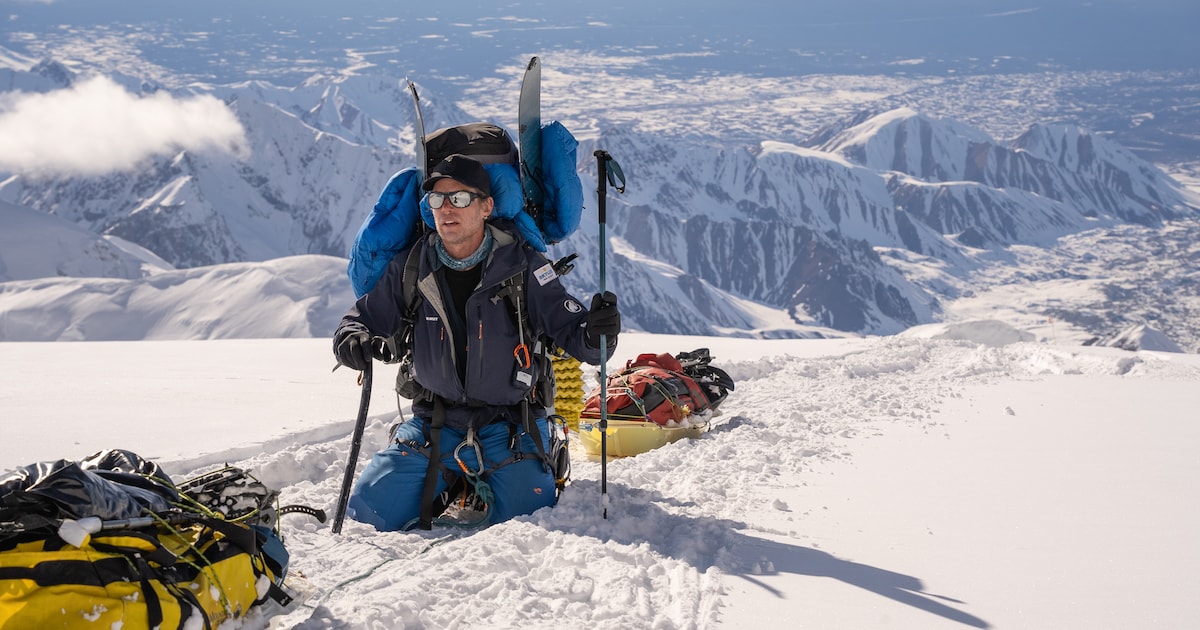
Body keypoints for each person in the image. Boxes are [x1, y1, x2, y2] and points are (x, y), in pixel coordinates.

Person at [333, 153, 621, 530]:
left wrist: (597, 332)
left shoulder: (524, 267)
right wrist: (351, 337)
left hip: (511, 426)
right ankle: (452, 479)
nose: (447, 208)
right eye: (437, 199)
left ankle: (525, 458)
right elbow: (361, 318)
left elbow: (577, 336)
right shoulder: (412, 266)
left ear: (486, 207)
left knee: (527, 524)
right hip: (433, 425)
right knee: (367, 513)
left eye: (460, 198)